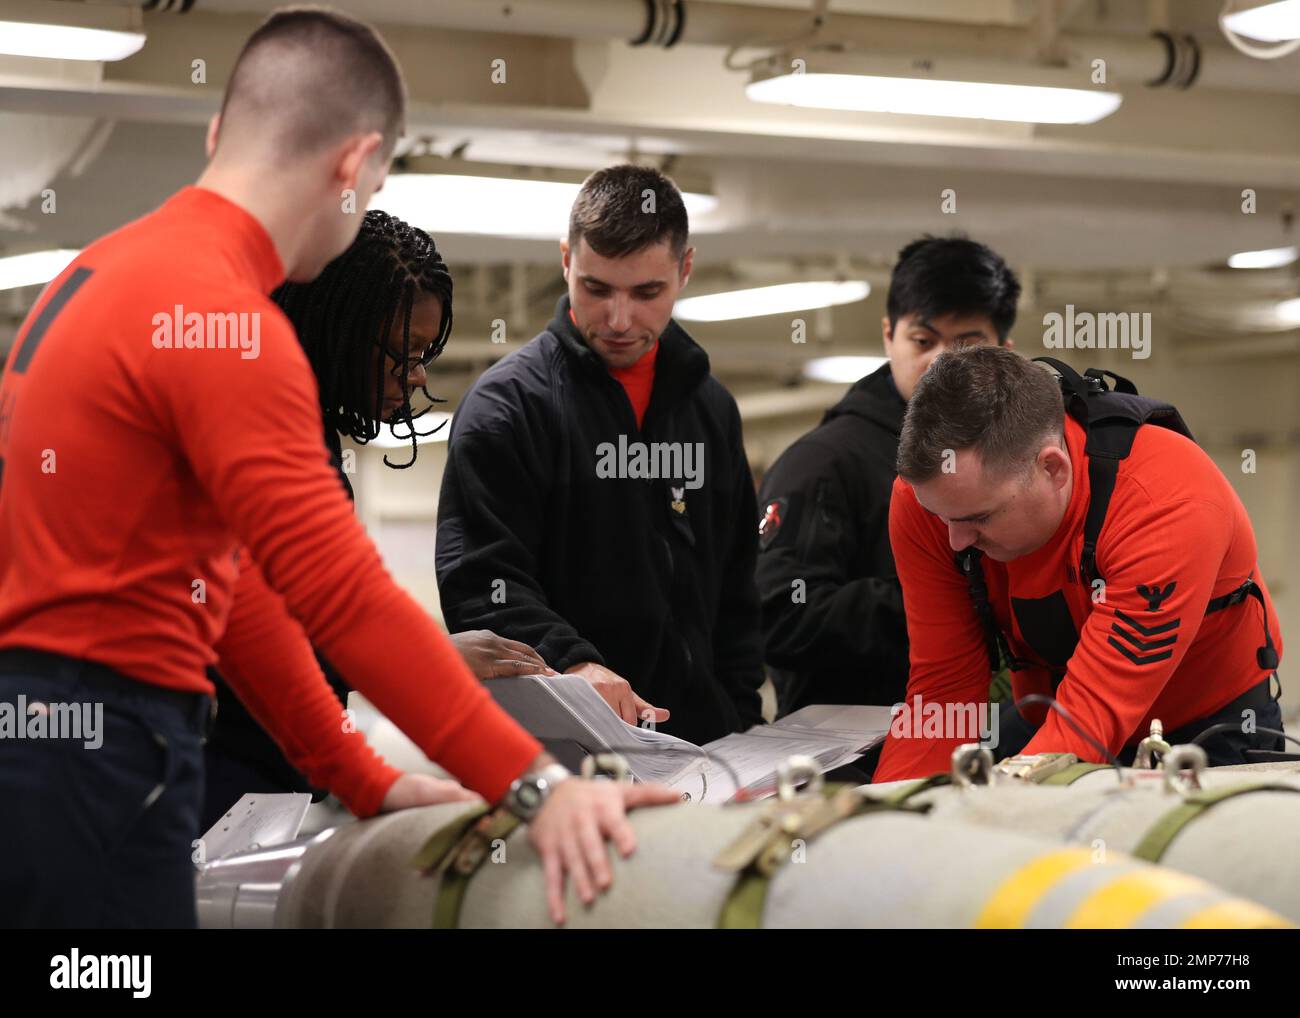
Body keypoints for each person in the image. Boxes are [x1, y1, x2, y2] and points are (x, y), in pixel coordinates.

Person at [0, 8, 675, 929]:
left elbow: (232, 594)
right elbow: (340, 596)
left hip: (47, 750)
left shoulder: (101, 276)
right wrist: (539, 789)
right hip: (106, 758)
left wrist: (354, 772)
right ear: (355, 167)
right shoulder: (232, 329)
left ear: (219, 134)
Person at [202, 209, 556, 832]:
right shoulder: (258, 431)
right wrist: (433, 664)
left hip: (265, 775)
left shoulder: (304, 433)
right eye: (404, 354)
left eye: (424, 354)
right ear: (338, 328)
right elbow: (272, 627)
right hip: (204, 771)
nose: (417, 376)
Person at [436, 164, 765, 746]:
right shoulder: (506, 408)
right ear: (566, 260)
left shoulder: (711, 410)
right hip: (559, 747)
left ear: (684, 270)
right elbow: (482, 583)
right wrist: (573, 665)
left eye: (646, 293)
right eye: (596, 288)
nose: (618, 319)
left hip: (705, 751)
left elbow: (737, 587)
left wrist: (735, 714)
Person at [872, 346, 1285, 782]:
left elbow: (1092, 715)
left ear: (1053, 469)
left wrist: (994, 811)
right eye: (944, 518)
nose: (955, 540)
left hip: (1207, 724)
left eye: (979, 518)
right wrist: (891, 818)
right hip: (1050, 710)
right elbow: (943, 687)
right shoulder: (936, 499)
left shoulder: (1167, 503)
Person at [756, 235, 1018, 717]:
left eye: (967, 345)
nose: (941, 361)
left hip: (999, 740)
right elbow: (781, 619)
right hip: (858, 758)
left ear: (1004, 351)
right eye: (923, 340)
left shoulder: (1022, 456)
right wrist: (942, 600)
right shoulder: (822, 463)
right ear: (887, 335)